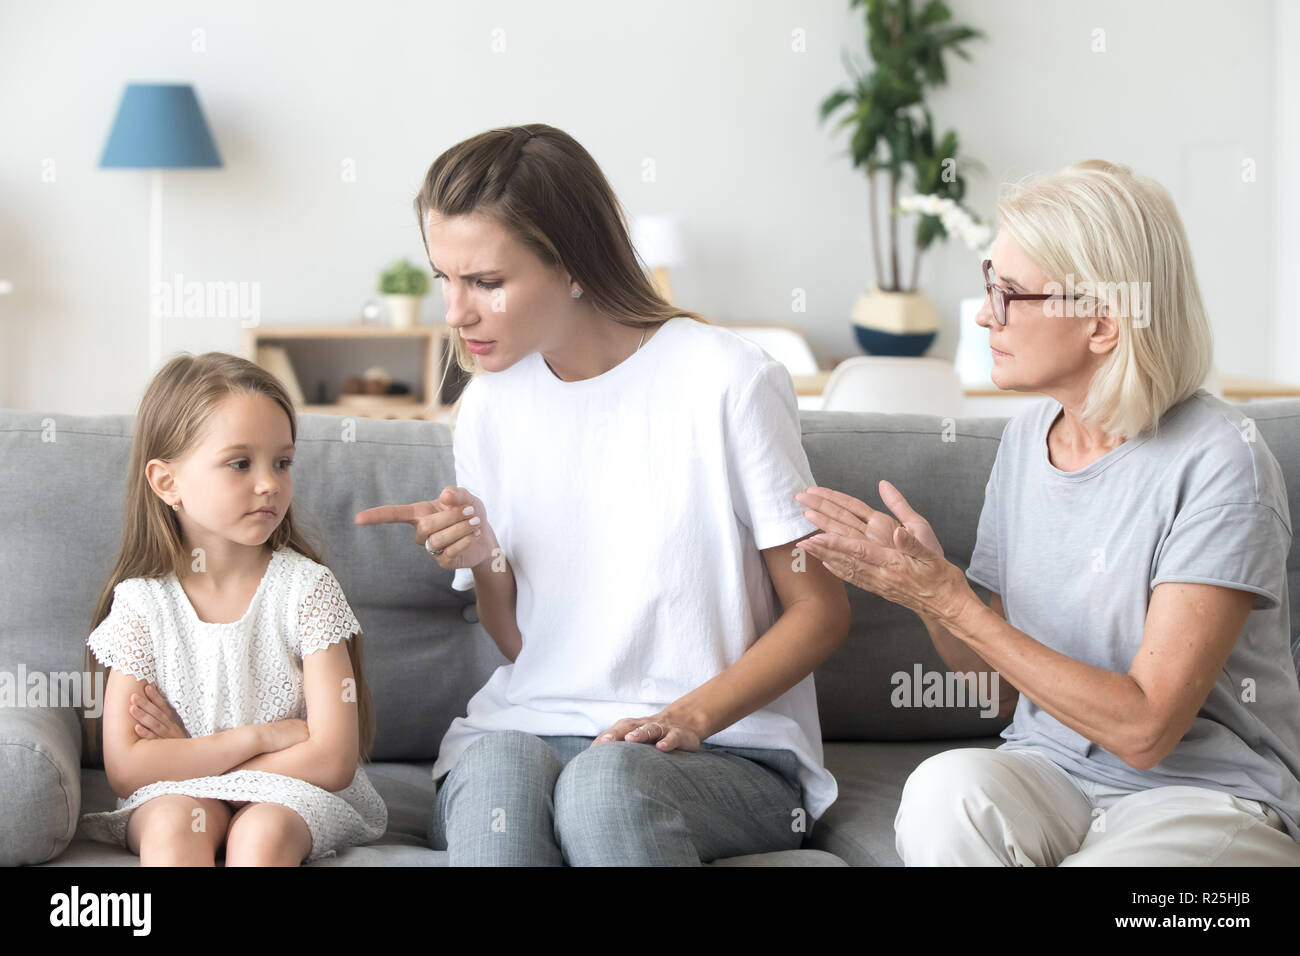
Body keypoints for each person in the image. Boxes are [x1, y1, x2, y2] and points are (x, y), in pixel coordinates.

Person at [355, 123, 851, 865]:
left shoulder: (727, 381)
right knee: (496, 779)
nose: (456, 313)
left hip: (726, 747)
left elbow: (819, 610)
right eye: (445, 280)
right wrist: (487, 559)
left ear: (576, 264)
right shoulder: (490, 404)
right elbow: (526, 645)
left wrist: (690, 715)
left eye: (487, 282)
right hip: (531, 723)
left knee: (606, 786)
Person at [797, 159, 1300, 866]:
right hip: (1050, 773)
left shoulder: (1220, 462)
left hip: (1204, 795)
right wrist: (924, 590)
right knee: (947, 789)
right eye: (986, 286)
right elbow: (1001, 697)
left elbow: (1146, 729)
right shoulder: (1028, 440)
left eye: (1009, 294)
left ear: (1101, 322)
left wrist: (950, 601)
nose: (982, 315)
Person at [79, 352, 386, 865]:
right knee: (175, 825)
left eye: (282, 462)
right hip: (184, 794)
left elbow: (333, 760)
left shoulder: (307, 589)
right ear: (166, 482)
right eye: (240, 463)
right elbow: (127, 768)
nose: (269, 483)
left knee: (261, 832)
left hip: (288, 794)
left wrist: (187, 757)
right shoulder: (140, 604)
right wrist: (259, 737)